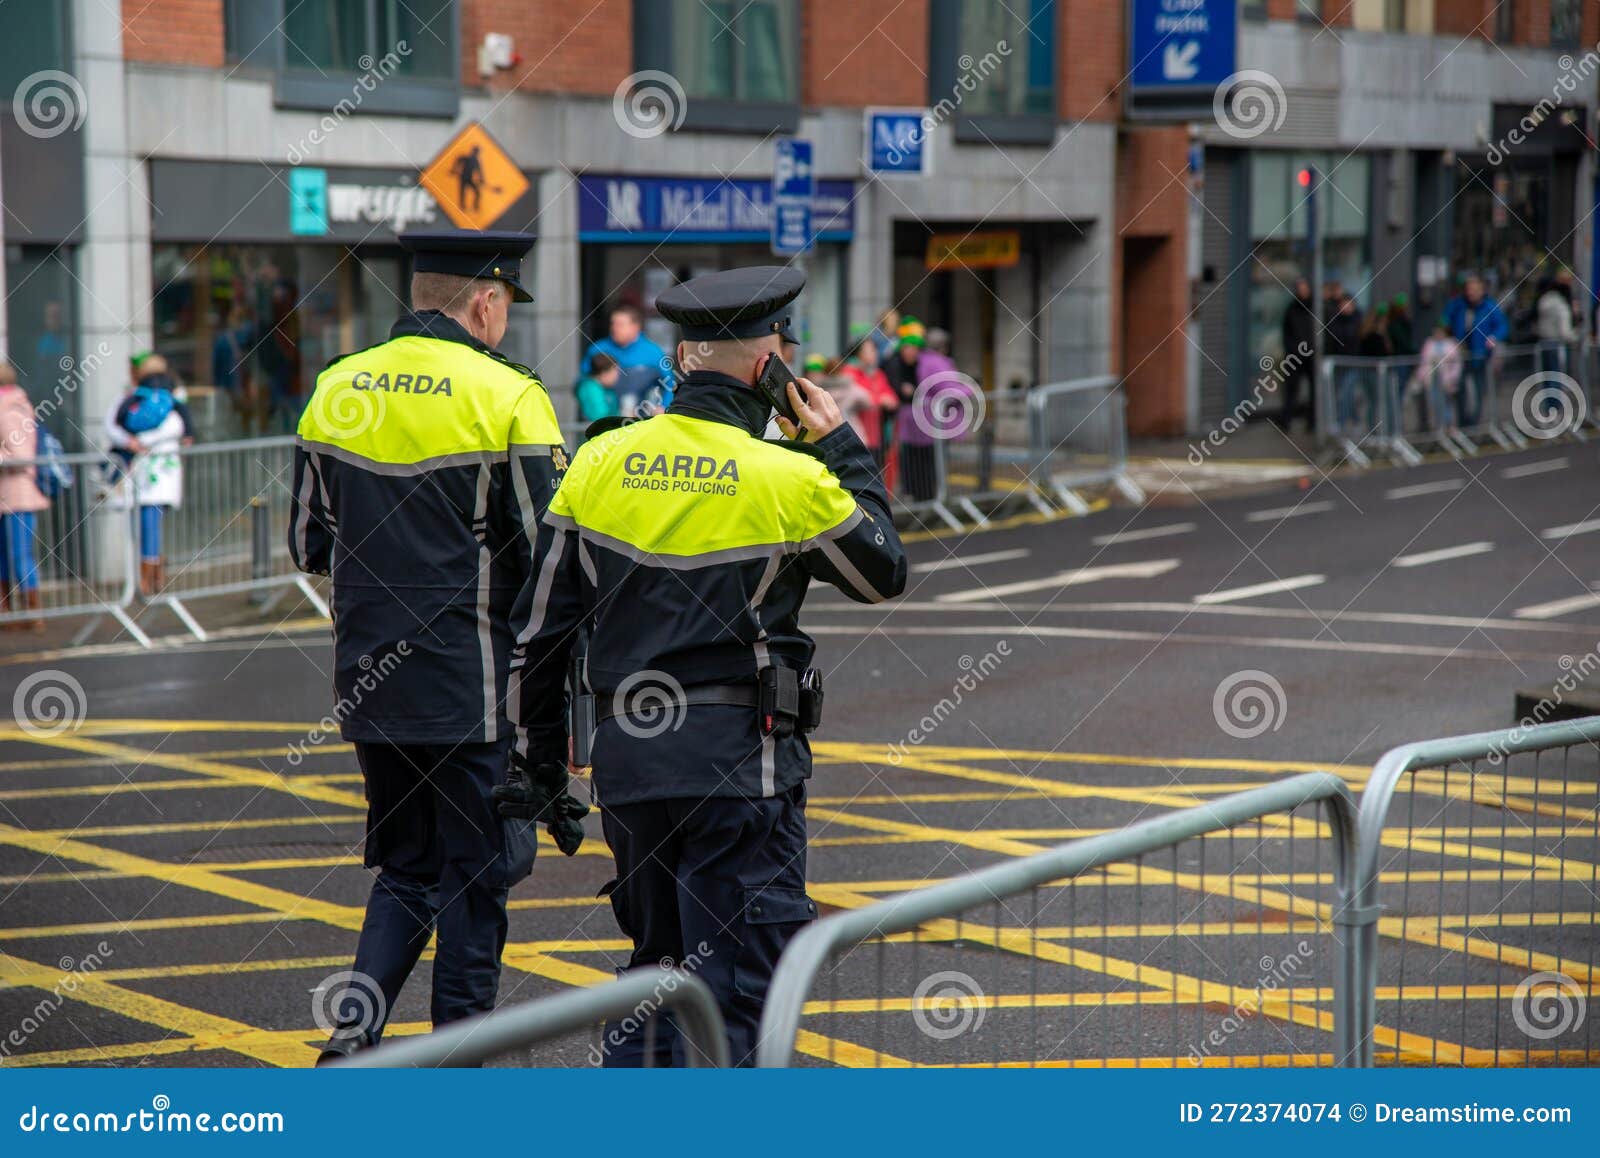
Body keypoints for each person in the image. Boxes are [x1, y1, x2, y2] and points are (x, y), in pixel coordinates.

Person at [504, 266, 907, 1067]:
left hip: (630, 773)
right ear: (772, 370)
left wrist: (540, 768)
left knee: (653, 980)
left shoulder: (600, 462)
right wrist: (837, 444)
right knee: (747, 996)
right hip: (740, 768)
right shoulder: (791, 479)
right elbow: (882, 570)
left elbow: (538, 636)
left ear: (683, 359)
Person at [288, 231, 587, 1063]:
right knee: (476, 880)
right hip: (474, 690)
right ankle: (458, 1068)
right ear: (486, 302)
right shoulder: (509, 395)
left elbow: (309, 543)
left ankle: (349, 1047)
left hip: (371, 690)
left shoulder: (336, 387)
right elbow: (551, 561)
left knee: (408, 871)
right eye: (504, 308)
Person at [104, 355, 194, 596]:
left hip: (154, 474)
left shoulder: (141, 398)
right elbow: (178, 428)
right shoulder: (169, 399)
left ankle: (150, 576)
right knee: (146, 524)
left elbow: (113, 425)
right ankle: (151, 575)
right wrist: (132, 442)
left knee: (149, 523)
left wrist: (134, 441)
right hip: (151, 473)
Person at [0, 362, 50, 631]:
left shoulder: (8, 411)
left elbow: (20, 456)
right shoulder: (13, 406)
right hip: (8, 496)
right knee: (5, 556)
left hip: (17, 495)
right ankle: (8, 611)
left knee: (20, 555)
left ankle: (33, 612)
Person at [1444, 275, 1507, 430]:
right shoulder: (1458, 305)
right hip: (1460, 355)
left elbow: (1502, 326)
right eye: (1469, 290)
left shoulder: (1489, 306)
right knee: (1459, 390)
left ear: (1482, 290)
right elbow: (1445, 321)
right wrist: (1447, 338)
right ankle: (1462, 423)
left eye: (1475, 290)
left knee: (1478, 390)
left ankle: (1474, 424)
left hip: (1480, 355)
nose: (1471, 293)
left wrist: (1493, 338)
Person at [582, 304, 672, 408]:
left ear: (635, 327)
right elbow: (584, 383)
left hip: (642, 417)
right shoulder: (598, 349)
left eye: (620, 324)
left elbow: (669, 384)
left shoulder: (653, 352)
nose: (614, 328)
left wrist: (664, 407)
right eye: (612, 324)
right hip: (607, 417)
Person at [886, 318, 932, 500]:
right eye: (910, 347)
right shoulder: (893, 363)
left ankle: (924, 494)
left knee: (922, 456)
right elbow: (898, 390)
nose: (913, 352)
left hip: (919, 423)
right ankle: (906, 493)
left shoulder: (919, 365)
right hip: (896, 422)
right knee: (900, 457)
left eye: (916, 348)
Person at [840, 328, 898, 468]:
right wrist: (879, 400)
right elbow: (859, 397)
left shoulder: (877, 374)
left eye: (874, 350)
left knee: (877, 473)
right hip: (856, 435)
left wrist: (883, 400)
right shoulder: (849, 372)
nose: (874, 353)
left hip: (877, 435)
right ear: (859, 352)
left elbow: (892, 399)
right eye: (870, 350)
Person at [1411, 319, 1463, 436]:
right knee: (1434, 403)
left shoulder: (1451, 344)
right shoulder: (1429, 343)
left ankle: (1449, 426)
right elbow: (1424, 362)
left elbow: (1456, 364)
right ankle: (1439, 427)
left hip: (1446, 378)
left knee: (1447, 403)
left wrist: (1453, 377)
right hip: (1433, 378)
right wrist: (1420, 378)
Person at [1278, 277, 1316, 431]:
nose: (1302, 291)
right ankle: (1286, 421)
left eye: (1304, 287)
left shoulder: (1316, 308)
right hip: (1295, 355)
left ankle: (1312, 422)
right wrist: (1292, 350)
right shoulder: (1291, 309)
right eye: (1299, 288)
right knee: (1291, 390)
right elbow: (1286, 333)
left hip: (1313, 356)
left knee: (1315, 391)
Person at [1535, 268, 1577, 375]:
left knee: (1548, 376)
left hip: (1545, 340)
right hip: (1558, 342)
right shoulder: (1561, 303)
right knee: (1557, 376)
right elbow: (1565, 330)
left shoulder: (1543, 300)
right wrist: (1575, 337)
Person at [575, 351, 621, 423]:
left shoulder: (608, 389)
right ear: (604, 373)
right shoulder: (589, 388)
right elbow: (600, 418)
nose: (617, 375)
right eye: (615, 371)